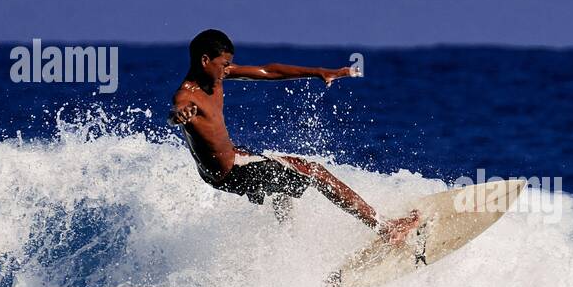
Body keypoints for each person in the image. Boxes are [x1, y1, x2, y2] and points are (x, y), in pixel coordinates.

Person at [168, 29, 419, 242]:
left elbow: (270, 71)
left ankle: (288, 249)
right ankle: (385, 228)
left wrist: (320, 71)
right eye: (223, 65)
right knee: (313, 171)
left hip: (233, 161)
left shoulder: (216, 77)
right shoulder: (187, 97)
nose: (227, 70)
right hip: (230, 172)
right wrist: (180, 115)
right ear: (204, 60)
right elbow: (176, 111)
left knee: (284, 184)